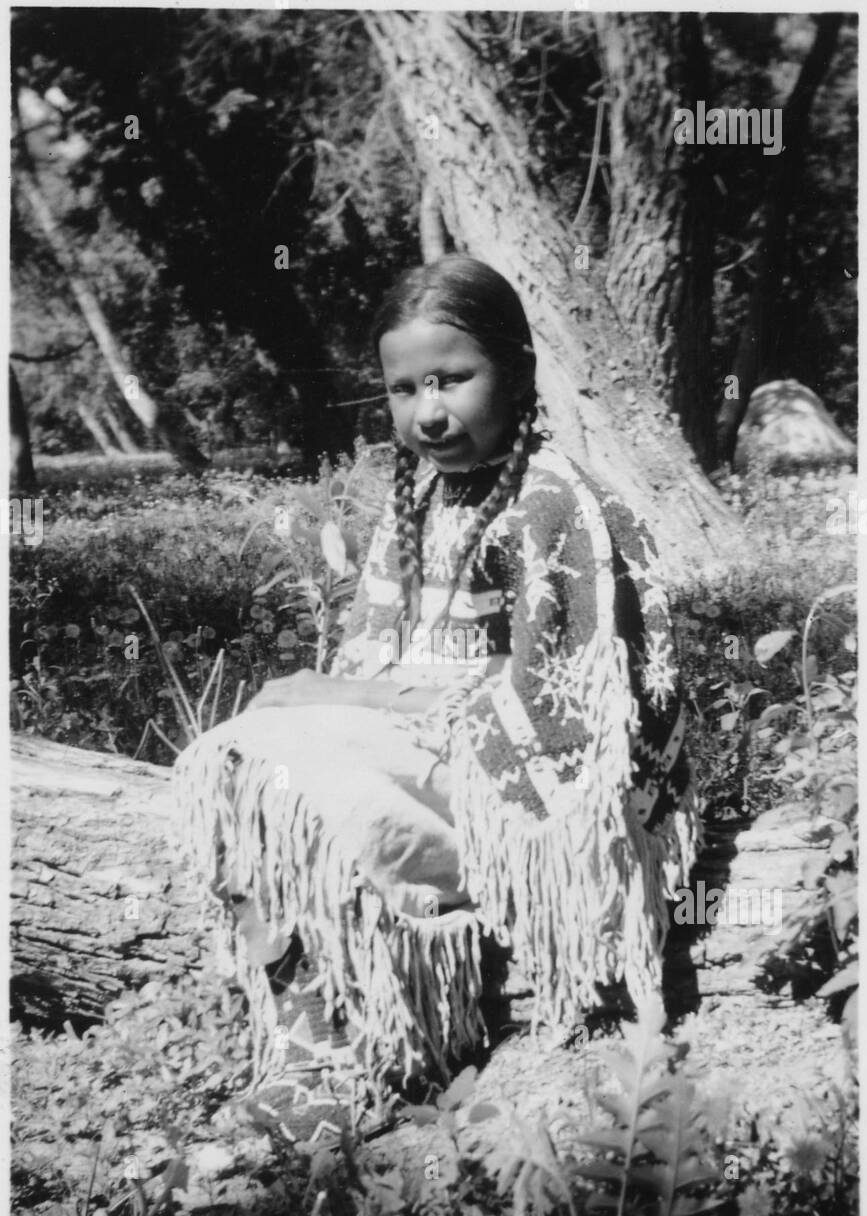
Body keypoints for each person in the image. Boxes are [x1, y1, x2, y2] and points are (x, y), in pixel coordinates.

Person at [172, 255, 697, 1141]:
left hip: (544, 793)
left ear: (519, 372)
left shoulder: (555, 502)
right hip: (448, 753)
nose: (427, 411)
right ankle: (323, 1010)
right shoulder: (418, 500)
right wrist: (337, 701)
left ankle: (387, 1039)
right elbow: (383, 669)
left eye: (453, 378)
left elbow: (564, 708)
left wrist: (347, 703)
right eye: (403, 387)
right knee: (243, 753)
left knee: (306, 779)